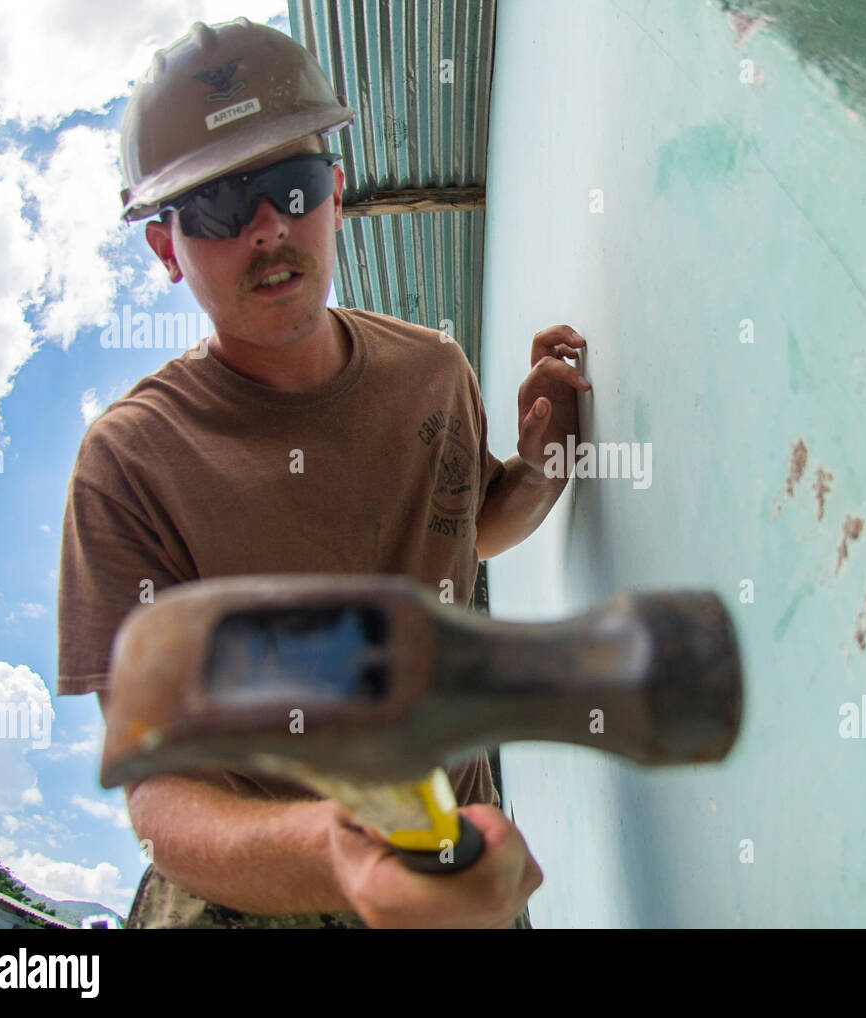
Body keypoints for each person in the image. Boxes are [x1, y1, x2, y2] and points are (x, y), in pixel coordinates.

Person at [57, 17, 590, 929]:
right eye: (222, 208)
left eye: (293, 186)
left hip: (450, 843)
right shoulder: (129, 463)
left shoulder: (434, 371)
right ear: (165, 248)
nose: (269, 226)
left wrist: (541, 470)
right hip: (250, 886)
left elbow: (468, 533)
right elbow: (160, 790)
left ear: (336, 194)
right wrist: (337, 856)